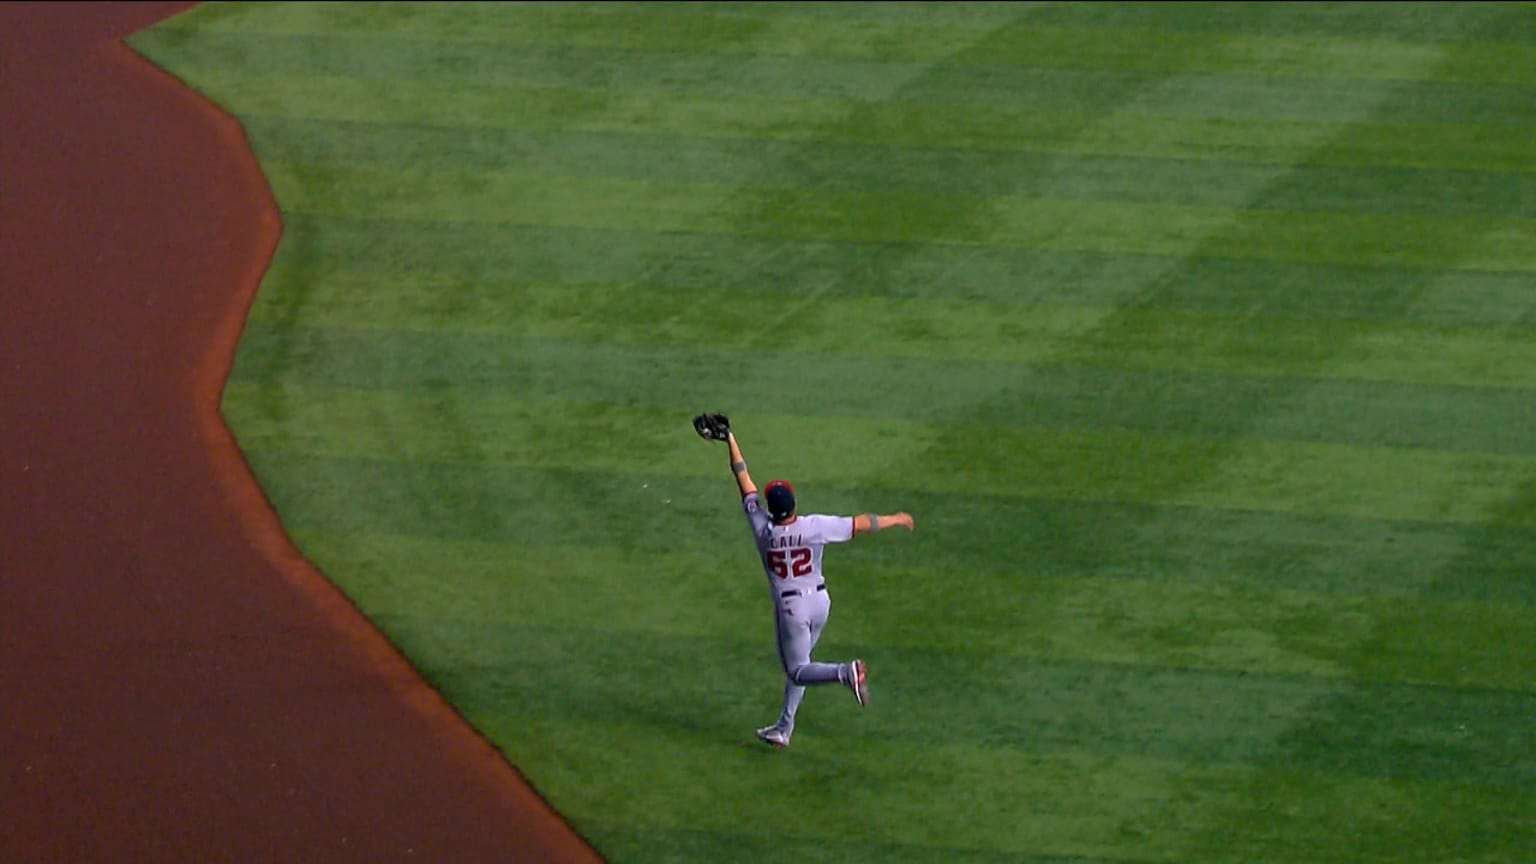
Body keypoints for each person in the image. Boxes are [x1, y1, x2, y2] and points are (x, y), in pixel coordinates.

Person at [719, 426, 914, 749]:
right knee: (804, 663)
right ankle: (784, 727)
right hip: (821, 602)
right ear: (794, 504)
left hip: (791, 609)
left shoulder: (763, 530)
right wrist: (896, 518)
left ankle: (845, 673)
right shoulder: (814, 526)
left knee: (797, 671)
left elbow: (745, 484)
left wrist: (730, 440)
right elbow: (861, 524)